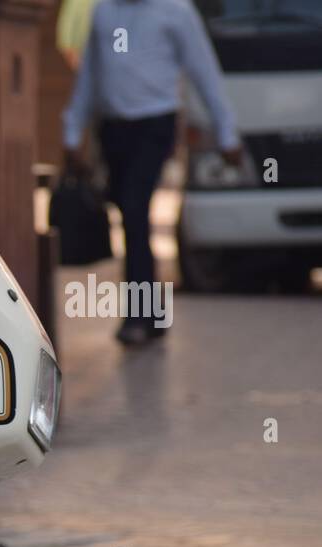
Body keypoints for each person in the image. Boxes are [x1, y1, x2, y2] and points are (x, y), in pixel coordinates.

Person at [62, 0, 241, 345]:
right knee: (128, 211)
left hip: (155, 125)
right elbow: (90, 76)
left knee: (133, 207)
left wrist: (226, 134)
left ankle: (139, 317)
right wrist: (72, 133)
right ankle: (154, 311)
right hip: (113, 128)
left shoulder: (176, 11)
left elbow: (204, 72)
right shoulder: (103, 12)